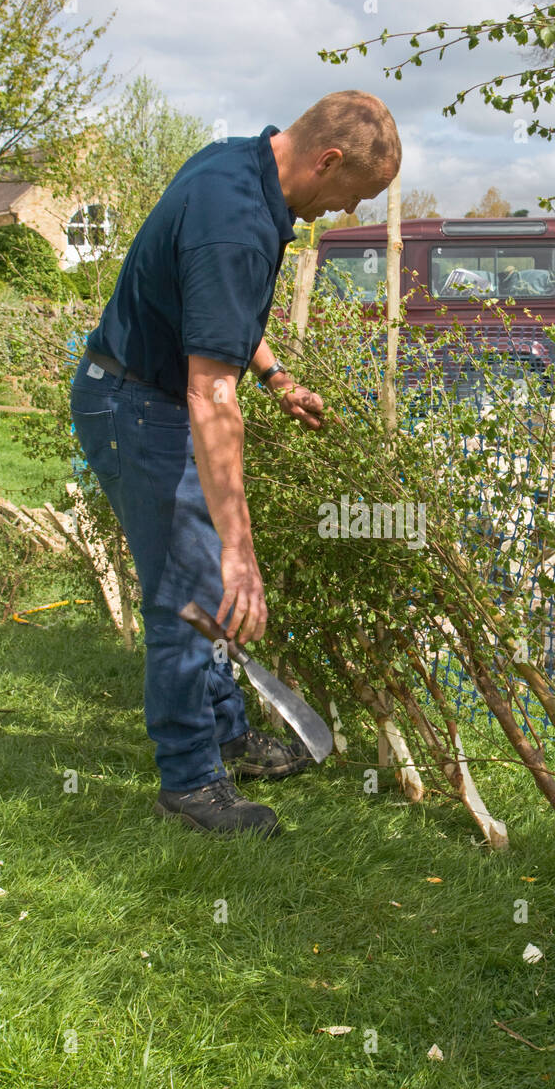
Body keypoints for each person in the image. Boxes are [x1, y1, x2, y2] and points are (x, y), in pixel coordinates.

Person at [69, 92, 401, 838]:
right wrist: (239, 546)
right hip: (137, 407)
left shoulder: (240, 166)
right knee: (189, 590)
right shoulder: (237, 225)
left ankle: (226, 738)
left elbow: (212, 315)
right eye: (357, 196)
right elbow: (212, 392)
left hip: (145, 397)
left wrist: (278, 376)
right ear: (329, 161)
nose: (349, 212)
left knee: (202, 585)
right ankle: (190, 782)